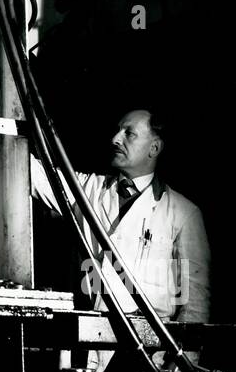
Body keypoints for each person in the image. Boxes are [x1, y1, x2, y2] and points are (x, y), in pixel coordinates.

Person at [32, 108, 210, 327]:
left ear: (153, 148)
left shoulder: (183, 213)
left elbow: (195, 299)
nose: (115, 139)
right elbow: (30, 172)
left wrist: (181, 357)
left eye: (129, 133)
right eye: (118, 131)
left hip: (149, 345)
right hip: (88, 337)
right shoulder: (87, 189)